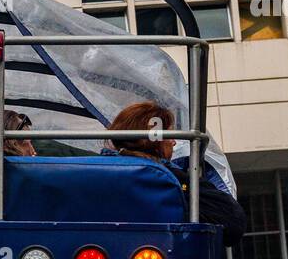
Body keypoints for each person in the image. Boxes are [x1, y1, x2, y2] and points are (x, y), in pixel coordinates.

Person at [103, 101, 246, 247]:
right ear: (153, 140)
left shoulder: (97, 171)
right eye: (170, 134)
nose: (174, 143)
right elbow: (232, 222)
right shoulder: (167, 178)